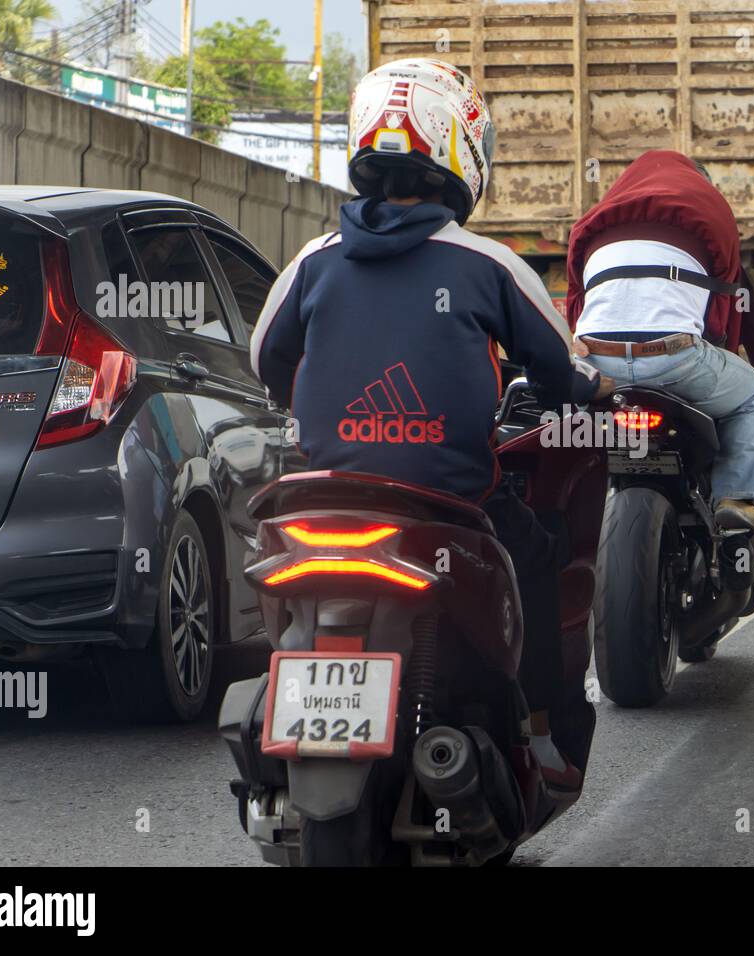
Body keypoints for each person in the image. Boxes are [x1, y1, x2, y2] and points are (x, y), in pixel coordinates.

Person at [251, 58, 613, 790]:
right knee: (538, 557)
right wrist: (591, 391)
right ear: (459, 151)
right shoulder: (487, 264)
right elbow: (564, 373)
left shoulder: (313, 262)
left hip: (323, 500)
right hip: (451, 502)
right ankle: (543, 731)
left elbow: (267, 358)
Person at [565, 150, 754, 561]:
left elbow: (577, 307)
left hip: (597, 362)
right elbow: (730, 319)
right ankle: (736, 499)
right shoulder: (708, 221)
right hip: (673, 356)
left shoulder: (597, 226)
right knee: (753, 399)